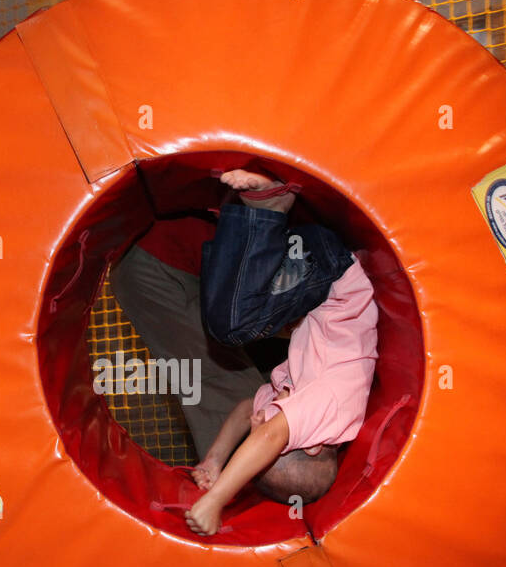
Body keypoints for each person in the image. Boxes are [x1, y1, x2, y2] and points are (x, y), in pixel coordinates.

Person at [112, 168, 379, 536]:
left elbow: (243, 412)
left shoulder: (295, 404)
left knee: (236, 321)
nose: (258, 423)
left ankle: (259, 216)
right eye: (266, 434)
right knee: (233, 327)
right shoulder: (332, 410)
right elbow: (268, 437)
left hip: (312, 282)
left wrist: (216, 461)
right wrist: (217, 498)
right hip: (334, 274)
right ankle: (266, 208)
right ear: (313, 446)